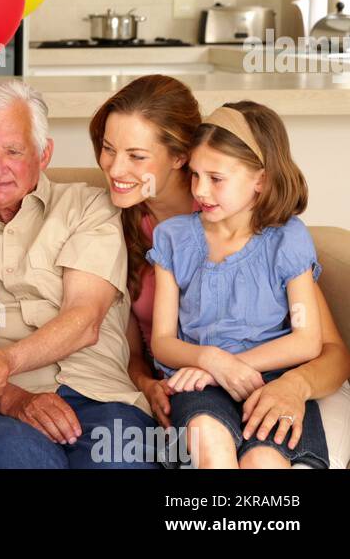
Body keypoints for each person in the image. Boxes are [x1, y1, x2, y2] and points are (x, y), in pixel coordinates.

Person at [89, 75, 350, 467]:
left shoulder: (250, 223)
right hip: (191, 383)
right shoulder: (118, 224)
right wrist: (147, 383)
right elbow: (135, 342)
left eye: (137, 156)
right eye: (108, 149)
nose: (114, 168)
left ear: (180, 155)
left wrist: (293, 385)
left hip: (279, 379)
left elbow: (322, 348)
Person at [0, 79, 161, 469]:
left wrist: (6, 360)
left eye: (13, 151)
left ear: (44, 154)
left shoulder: (89, 207)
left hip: (101, 398)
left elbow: (84, 319)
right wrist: (8, 395)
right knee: (14, 461)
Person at [148, 102, 329, 468]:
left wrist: (230, 365)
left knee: (265, 461)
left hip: (272, 382)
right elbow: (162, 342)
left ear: (260, 179)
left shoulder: (288, 239)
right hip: (199, 386)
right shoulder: (173, 238)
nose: (199, 190)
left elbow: (307, 339)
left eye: (216, 178)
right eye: (195, 175)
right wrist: (210, 362)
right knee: (211, 446)